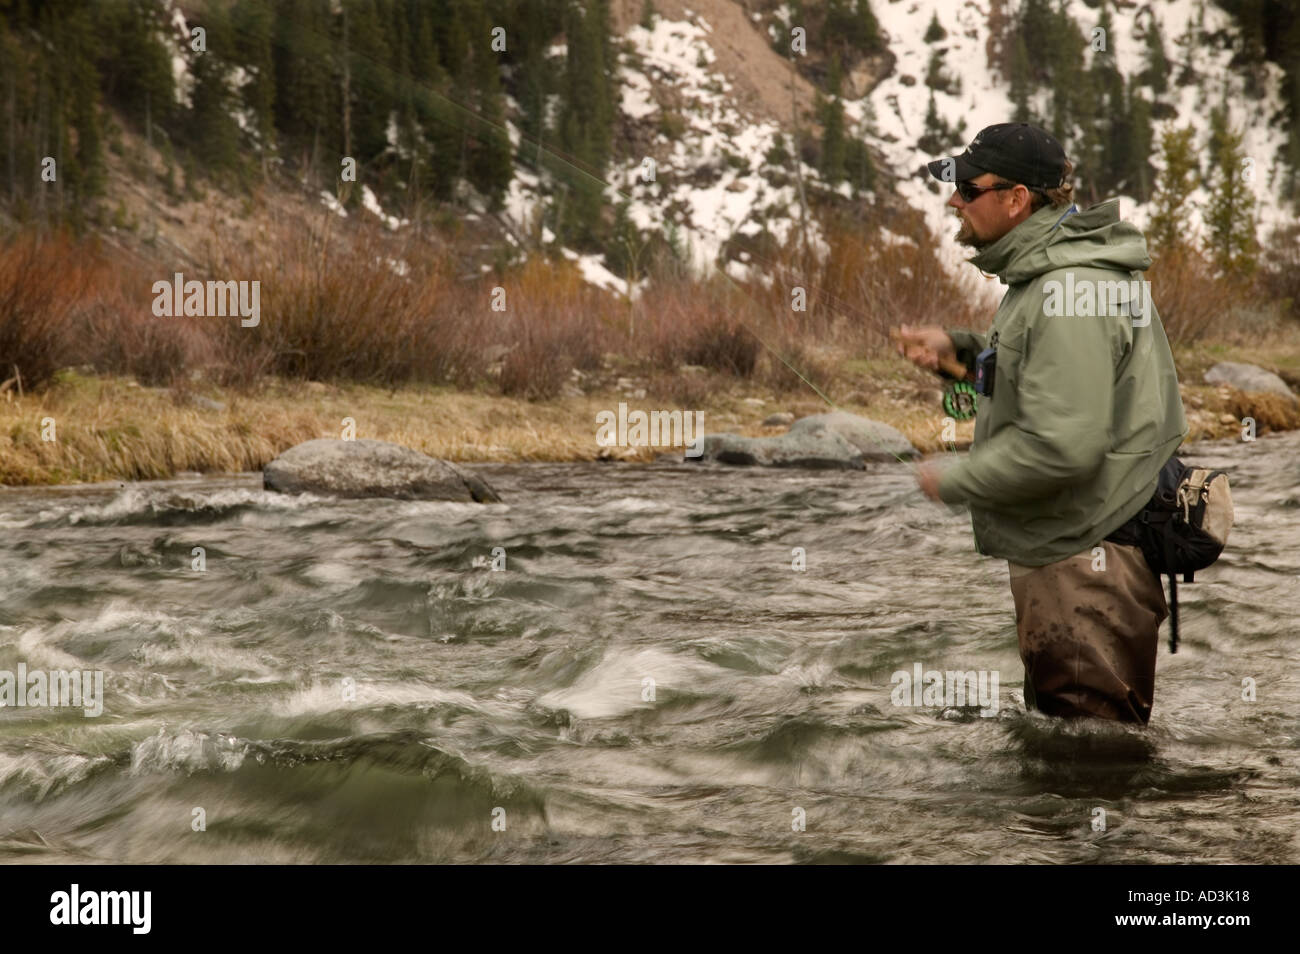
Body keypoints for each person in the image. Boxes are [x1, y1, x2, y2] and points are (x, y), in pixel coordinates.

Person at [896, 122, 1188, 725]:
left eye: (967, 189)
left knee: (1088, 772)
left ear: (1016, 198)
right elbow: (1047, 377)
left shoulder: (1067, 286)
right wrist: (960, 353)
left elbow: (1063, 445)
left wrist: (954, 480)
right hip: (1079, 551)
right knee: (1077, 758)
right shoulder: (1057, 277)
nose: (954, 201)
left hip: (1084, 559)